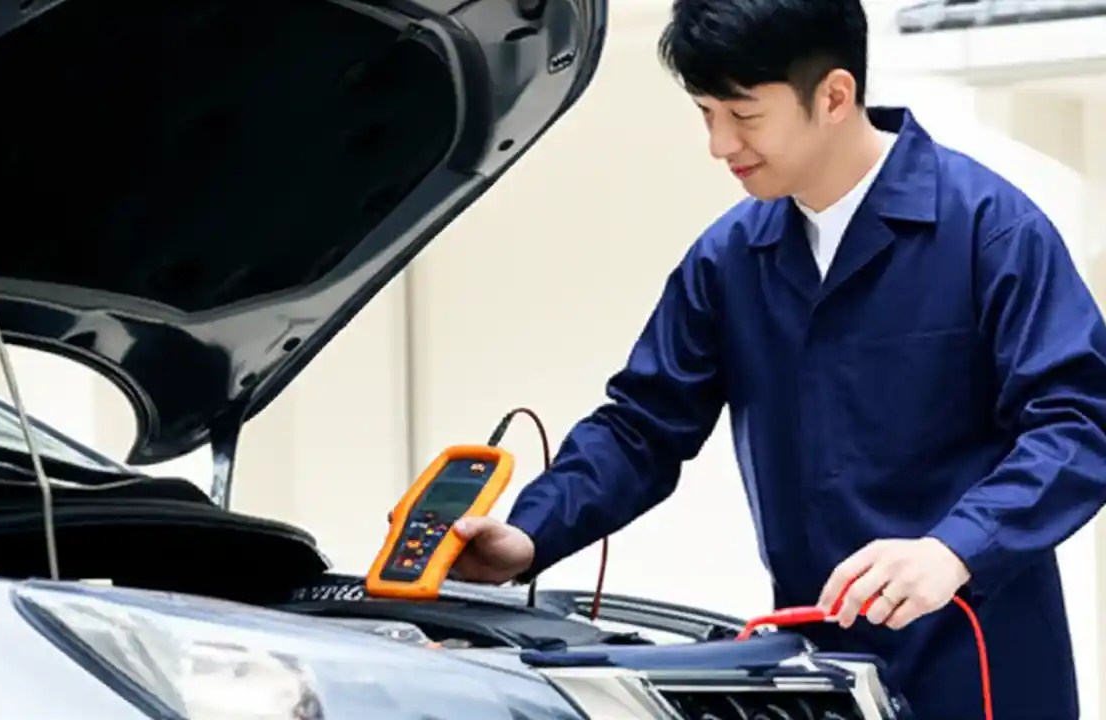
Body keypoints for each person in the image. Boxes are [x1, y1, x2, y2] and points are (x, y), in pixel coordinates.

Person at [446, 0, 1106, 717]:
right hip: (817, 664)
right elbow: (643, 425)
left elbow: (1078, 426)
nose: (719, 143)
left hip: (979, 656)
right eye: (705, 114)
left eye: (743, 115)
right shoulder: (729, 258)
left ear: (834, 96)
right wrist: (529, 533)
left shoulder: (991, 230)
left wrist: (954, 550)